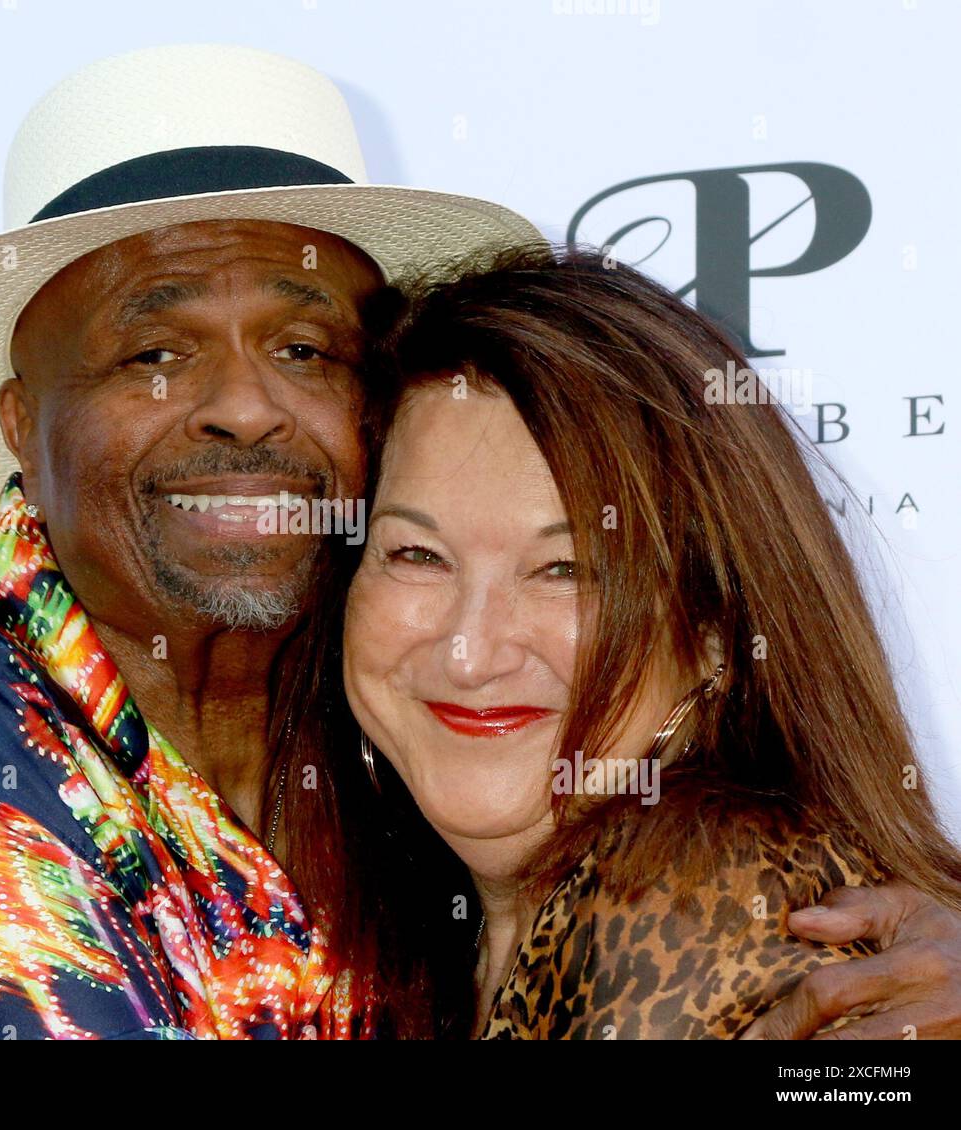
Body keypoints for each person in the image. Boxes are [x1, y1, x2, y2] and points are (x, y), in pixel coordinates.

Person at [0, 46, 961, 1041]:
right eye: (153, 350)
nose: (241, 406)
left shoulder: (416, 725)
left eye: (301, 348)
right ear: (24, 418)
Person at [338, 244, 961, 1038]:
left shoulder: (691, 900)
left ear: (714, 632)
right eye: (417, 556)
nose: (471, 649)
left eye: (566, 570)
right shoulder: (409, 937)